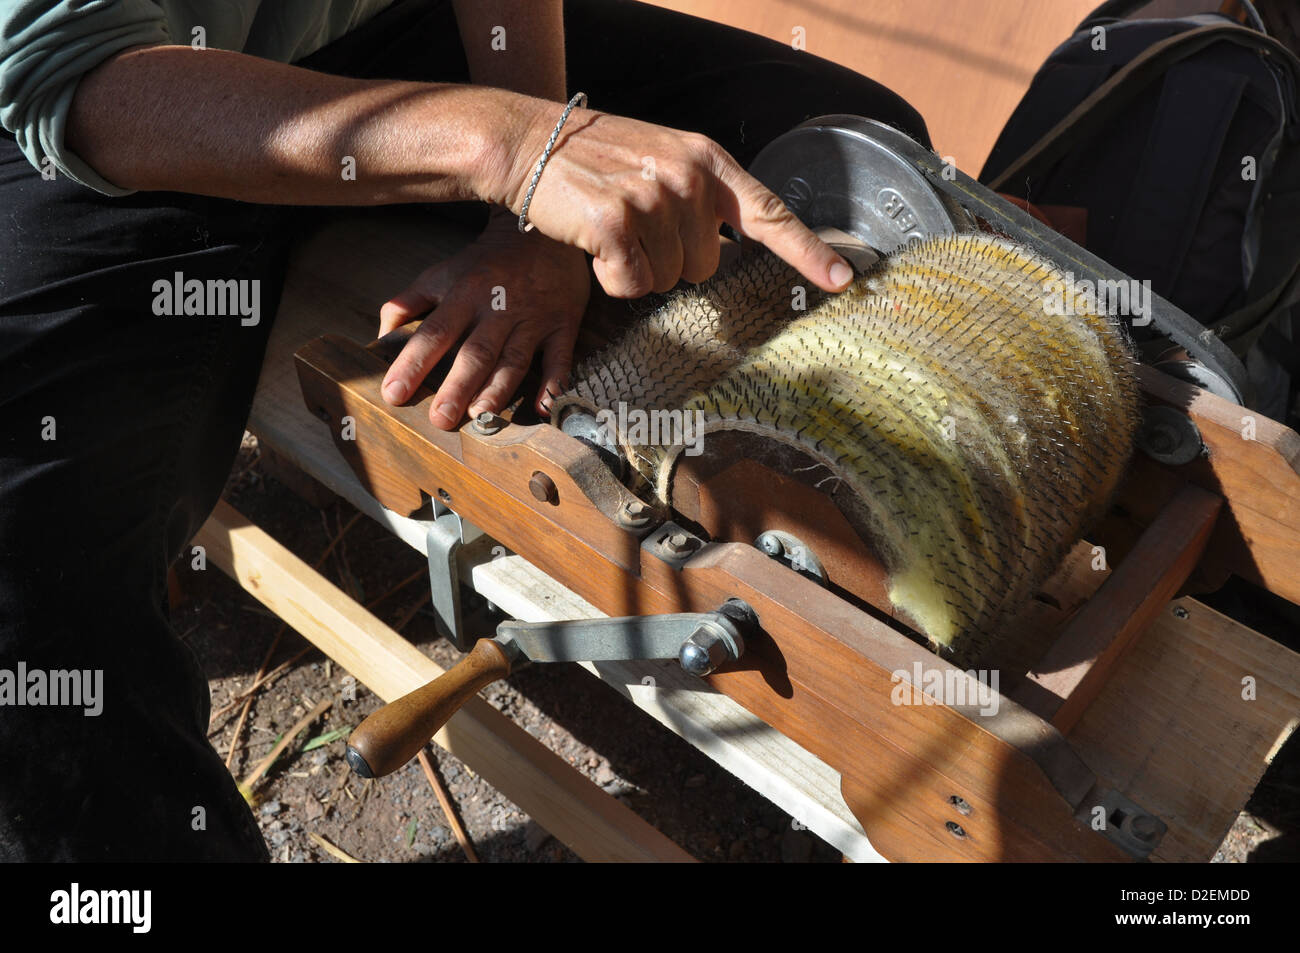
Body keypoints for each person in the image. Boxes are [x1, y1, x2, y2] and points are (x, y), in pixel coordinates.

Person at [0, 0, 928, 860]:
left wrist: (533, 216)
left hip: (384, 37)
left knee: (845, 149)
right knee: (28, 598)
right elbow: (75, 75)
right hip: (104, 113)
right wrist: (519, 151)